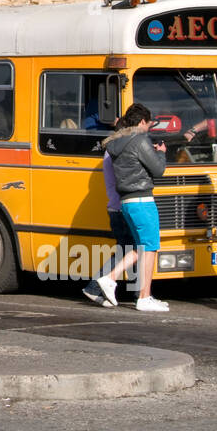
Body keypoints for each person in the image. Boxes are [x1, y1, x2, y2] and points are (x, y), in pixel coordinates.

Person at [103, 103, 168, 312]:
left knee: (142, 247)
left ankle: (111, 279)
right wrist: (161, 153)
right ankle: (143, 296)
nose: (148, 128)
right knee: (150, 247)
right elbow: (158, 170)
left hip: (126, 202)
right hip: (142, 200)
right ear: (141, 122)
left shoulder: (116, 143)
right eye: (148, 124)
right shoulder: (139, 140)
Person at [83, 117, 140, 308]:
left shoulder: (111, 150)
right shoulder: (118, 152)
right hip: (120, 206)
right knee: (131, 249)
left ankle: (136, 292)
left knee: (127, 249)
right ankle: (94, 287)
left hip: (115, 207)